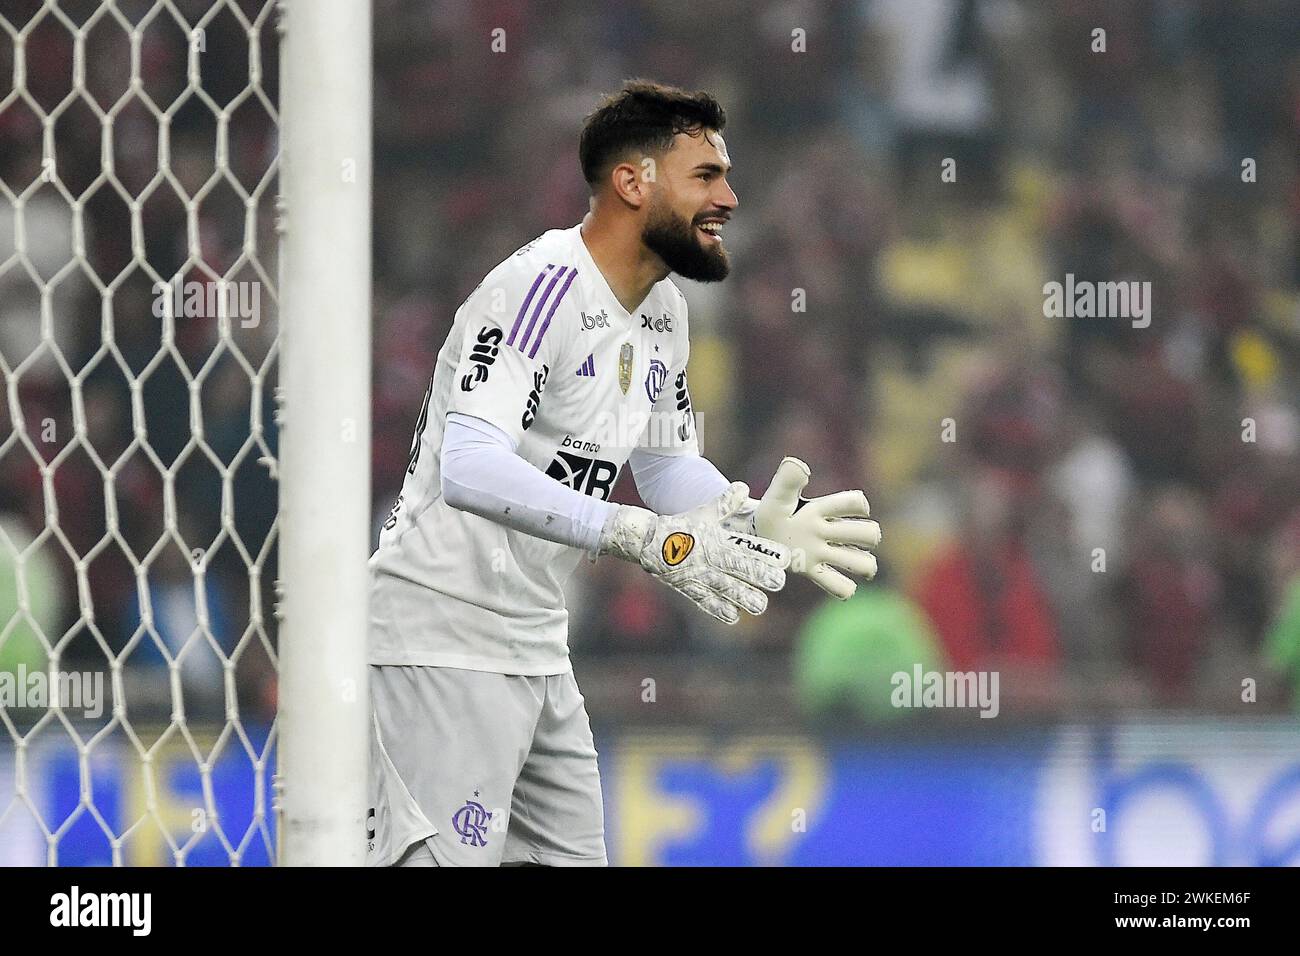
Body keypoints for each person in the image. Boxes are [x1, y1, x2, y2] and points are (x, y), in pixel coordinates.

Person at [366, 80, 881, 867]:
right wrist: (631, 530)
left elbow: (668, 465)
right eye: (705, 176)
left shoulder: (666, 315)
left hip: (537, 643)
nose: (730, 198)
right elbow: (469, 464)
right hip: (440, 634)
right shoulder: (539, 289)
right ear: (634, 183)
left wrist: (745, 520)